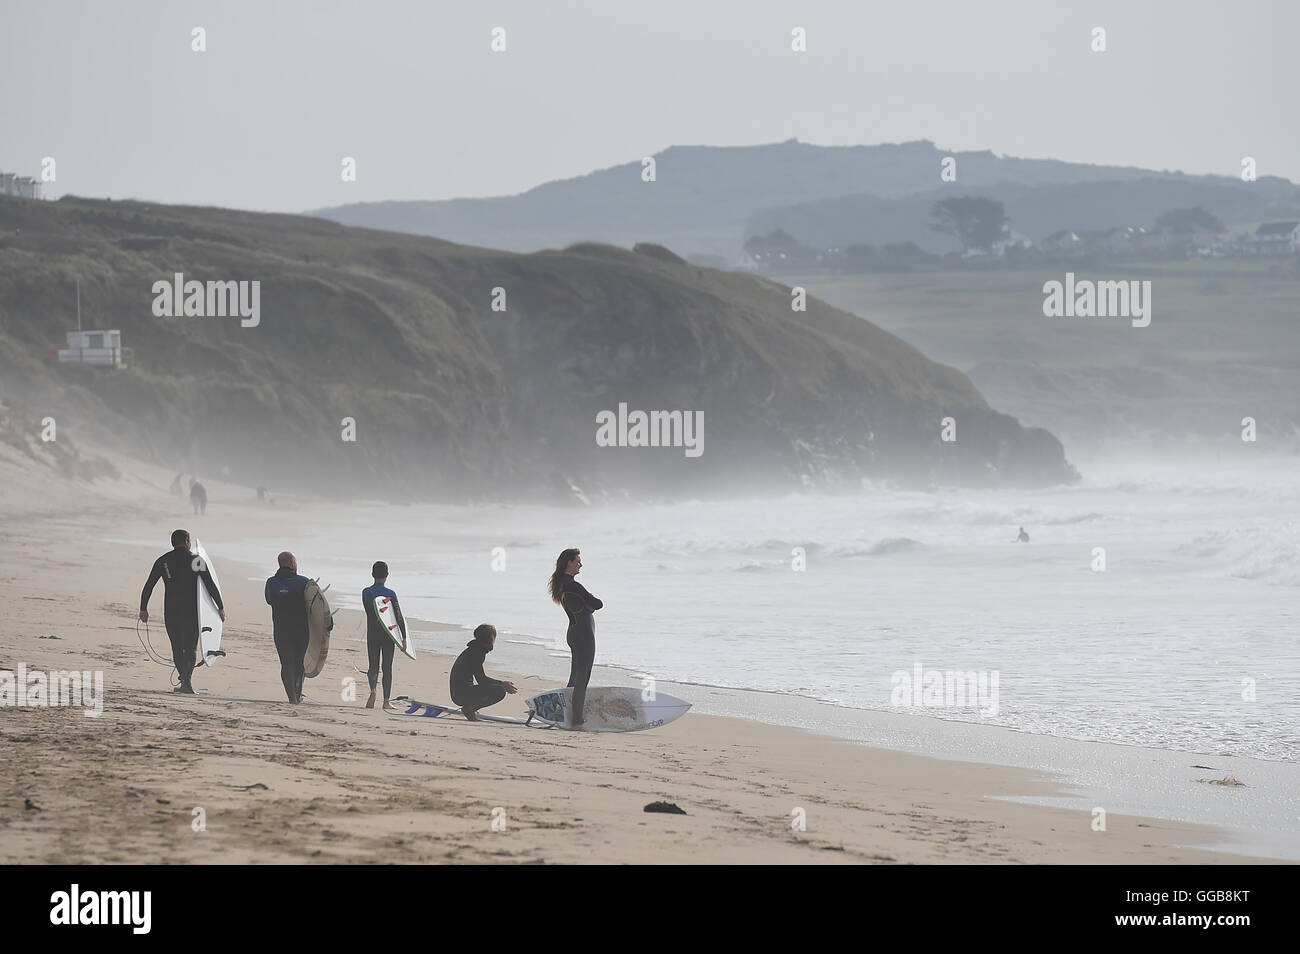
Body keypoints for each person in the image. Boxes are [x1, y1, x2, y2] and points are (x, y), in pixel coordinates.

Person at [139, 529, 224, 694]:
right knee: (190, 648)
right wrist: (220, 607)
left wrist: (143, 608)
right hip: (191, 611)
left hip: (171, 610)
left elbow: (149, 585)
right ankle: (187, 682)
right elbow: (210, 585)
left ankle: (184, 679)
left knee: (177, 647)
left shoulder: (163, 561)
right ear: (186, 541)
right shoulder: (196, 561)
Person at [548, 548, 601, 727]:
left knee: (575, 675)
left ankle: (568, 712)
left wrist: (587, 605)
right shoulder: (573, 585)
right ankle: (576, 719)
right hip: (584, 633)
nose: (580, 564)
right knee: (582, 676)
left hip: (574, 632)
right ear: (569, 563)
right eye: (578, 561)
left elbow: (590, 605)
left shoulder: (561, 583)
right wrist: (588, 606)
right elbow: (598, 604)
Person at [264, 551, 310, 703]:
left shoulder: (271, 583)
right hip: (301, 630)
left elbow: (269, 600)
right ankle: (297, 693)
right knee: (300, 663)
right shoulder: (304, 582)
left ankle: (292, 697)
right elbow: (316, 606)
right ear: (293, 564)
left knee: (286, 663)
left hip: (281, 629)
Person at [361, 560, 406, 712]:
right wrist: (404, 638)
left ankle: (373, 690)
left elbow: (370, 611)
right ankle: (386, 701)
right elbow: (398, 617)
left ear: (372, 574)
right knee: (387, 667)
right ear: (387, 575)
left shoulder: (366, 592)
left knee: (373, 665)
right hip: (388, 634)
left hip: (373, 633)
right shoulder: (391, 594)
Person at [449, 624, 516, 720]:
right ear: (491, 638)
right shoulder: (476, 652)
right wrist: (503, 683)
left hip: (459, 693)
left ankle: (471, 707)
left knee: (498, 687)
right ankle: (469, 708)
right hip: (460, 695)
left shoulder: (475, 649)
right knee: (500, 690)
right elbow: (482, 680)